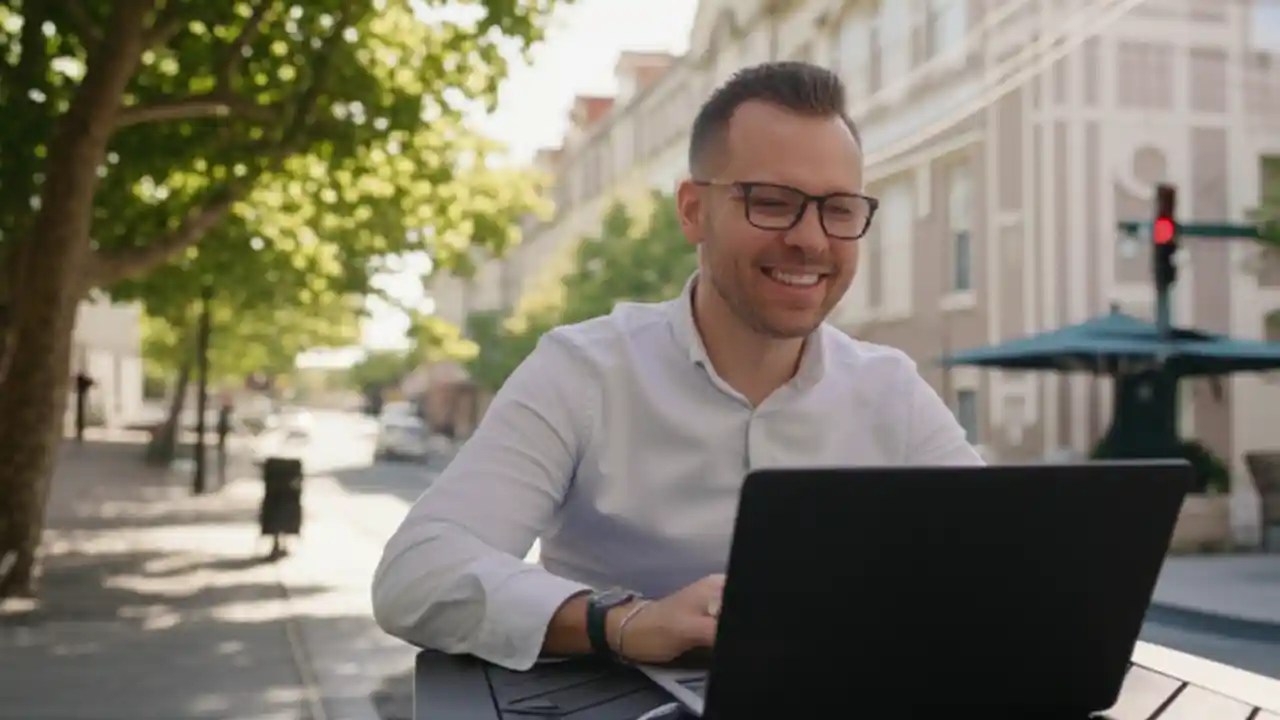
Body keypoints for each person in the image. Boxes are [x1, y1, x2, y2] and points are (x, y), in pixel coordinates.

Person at [371, 61, 982, 673]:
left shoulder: (891, 390)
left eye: (840, 210)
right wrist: (621, 623)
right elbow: (418, 573)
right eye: (772, 203)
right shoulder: (583, 370)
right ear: (693, 211)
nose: (812, 240)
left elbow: (1000, 566)